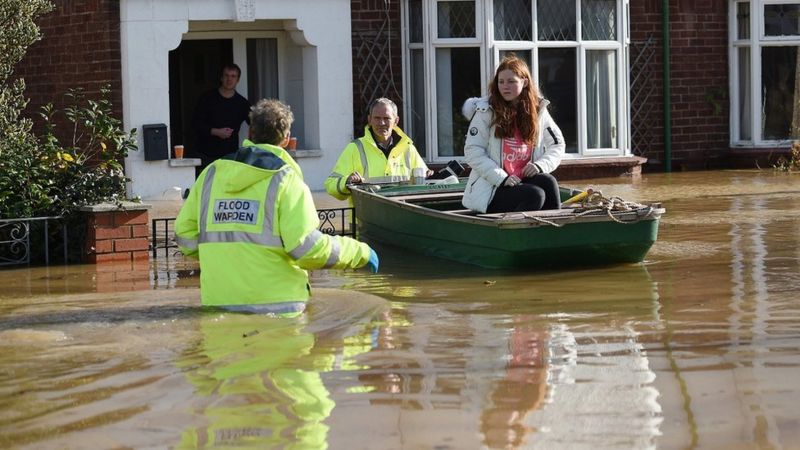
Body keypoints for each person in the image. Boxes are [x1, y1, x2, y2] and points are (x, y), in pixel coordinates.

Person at [175, 98, 380, 316]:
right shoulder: (286, 180)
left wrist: (226, 254)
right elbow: (307, 248)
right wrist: (360, 252)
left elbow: (185, 236)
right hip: (280, 313)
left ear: (250, 133)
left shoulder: (211, 175)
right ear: (286, 139)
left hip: (218, 306)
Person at [461, 55, 565, 214]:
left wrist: (539, 165)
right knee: (535, 195)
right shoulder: (486, 111)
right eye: (501, 81)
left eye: (511, 81)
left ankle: (556, 232)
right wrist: (501, 178)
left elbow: (557, 144)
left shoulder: (537, 110)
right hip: (492, 188)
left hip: (521, 180)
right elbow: (472, 151)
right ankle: (517, 236)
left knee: (548, 181)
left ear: (524, 82)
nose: (505, 86)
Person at [325, 97, 430, 202]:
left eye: (386, 118)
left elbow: (424, 182)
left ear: (396, 121)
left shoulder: (408, 149)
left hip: (402, 216)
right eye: (377, 118)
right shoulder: (355, 148)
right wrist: (346, 181)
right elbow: (331, 184)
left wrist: (429, 175)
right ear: (369, 120)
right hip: (368, 217)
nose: (382, 123)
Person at [191, 63, 252, 174]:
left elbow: (256, 125)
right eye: (226, 75)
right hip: (206, 155)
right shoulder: (207, 99)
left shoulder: (242, 103)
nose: (229, 79)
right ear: (221, 78)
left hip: (230, 156)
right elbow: (196, 124)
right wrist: (215, 132)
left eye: (233, 76)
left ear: (238, 80)